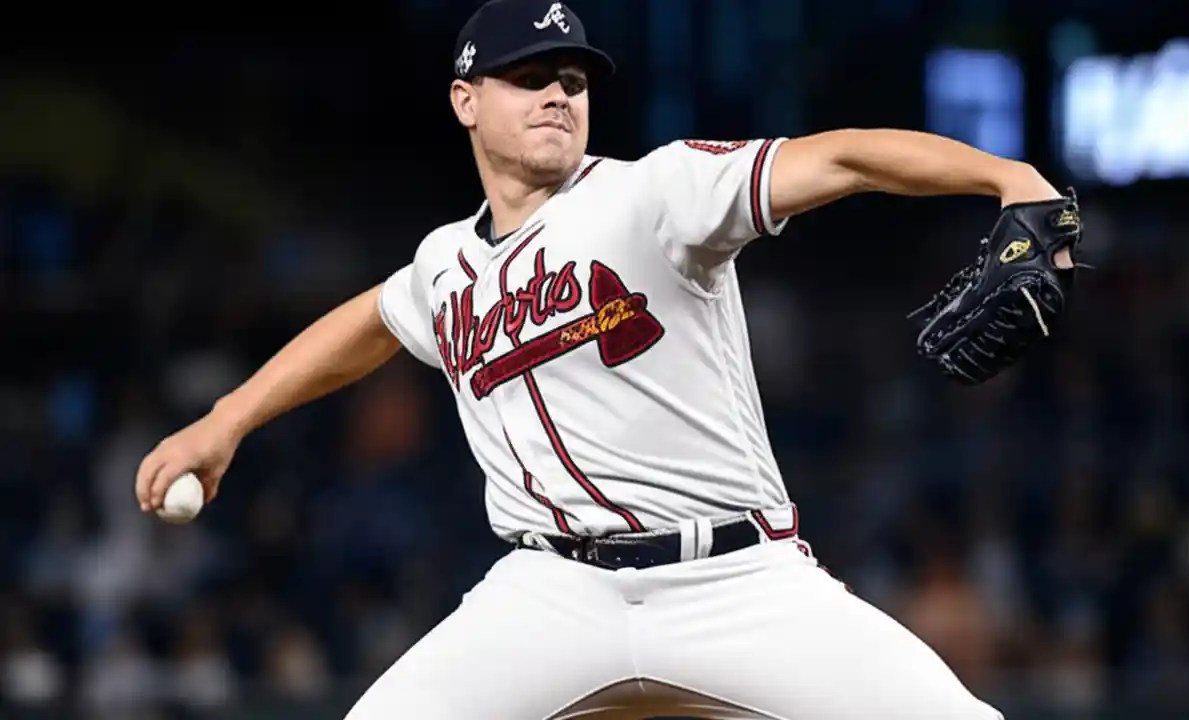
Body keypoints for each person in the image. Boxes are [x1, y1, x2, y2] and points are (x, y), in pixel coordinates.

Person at [135, 1, 1073, 717]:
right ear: (465, 100)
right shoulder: (445, 263)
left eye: (572, 80)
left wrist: (1007, 176)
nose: (558, 93)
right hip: (553, 590)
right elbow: (371, 322)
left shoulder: (657, 193)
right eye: (527, 76)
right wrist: (227, 421)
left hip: (734, 578)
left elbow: (841, 159)